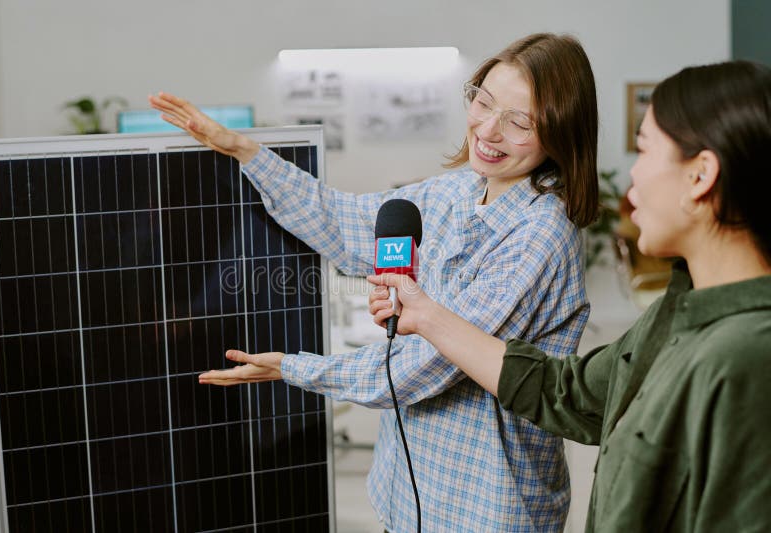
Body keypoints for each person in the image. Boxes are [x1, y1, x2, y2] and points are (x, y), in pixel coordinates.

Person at [150, 32, 599, 532]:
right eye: (484, 103)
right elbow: (344, 221)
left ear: (561, 132)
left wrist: (294, 368)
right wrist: (247, 152)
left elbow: (418, 368)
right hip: (408, 494)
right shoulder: (456, 191)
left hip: (485, 508)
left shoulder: (540, 235)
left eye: (519, 122)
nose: (488, 129)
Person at [368, 60, 771, 532]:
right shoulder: (677, 308)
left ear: (700, 176)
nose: (632, 179)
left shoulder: (748, 358)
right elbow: (570, 393)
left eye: (644, 151)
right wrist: (426, 317)